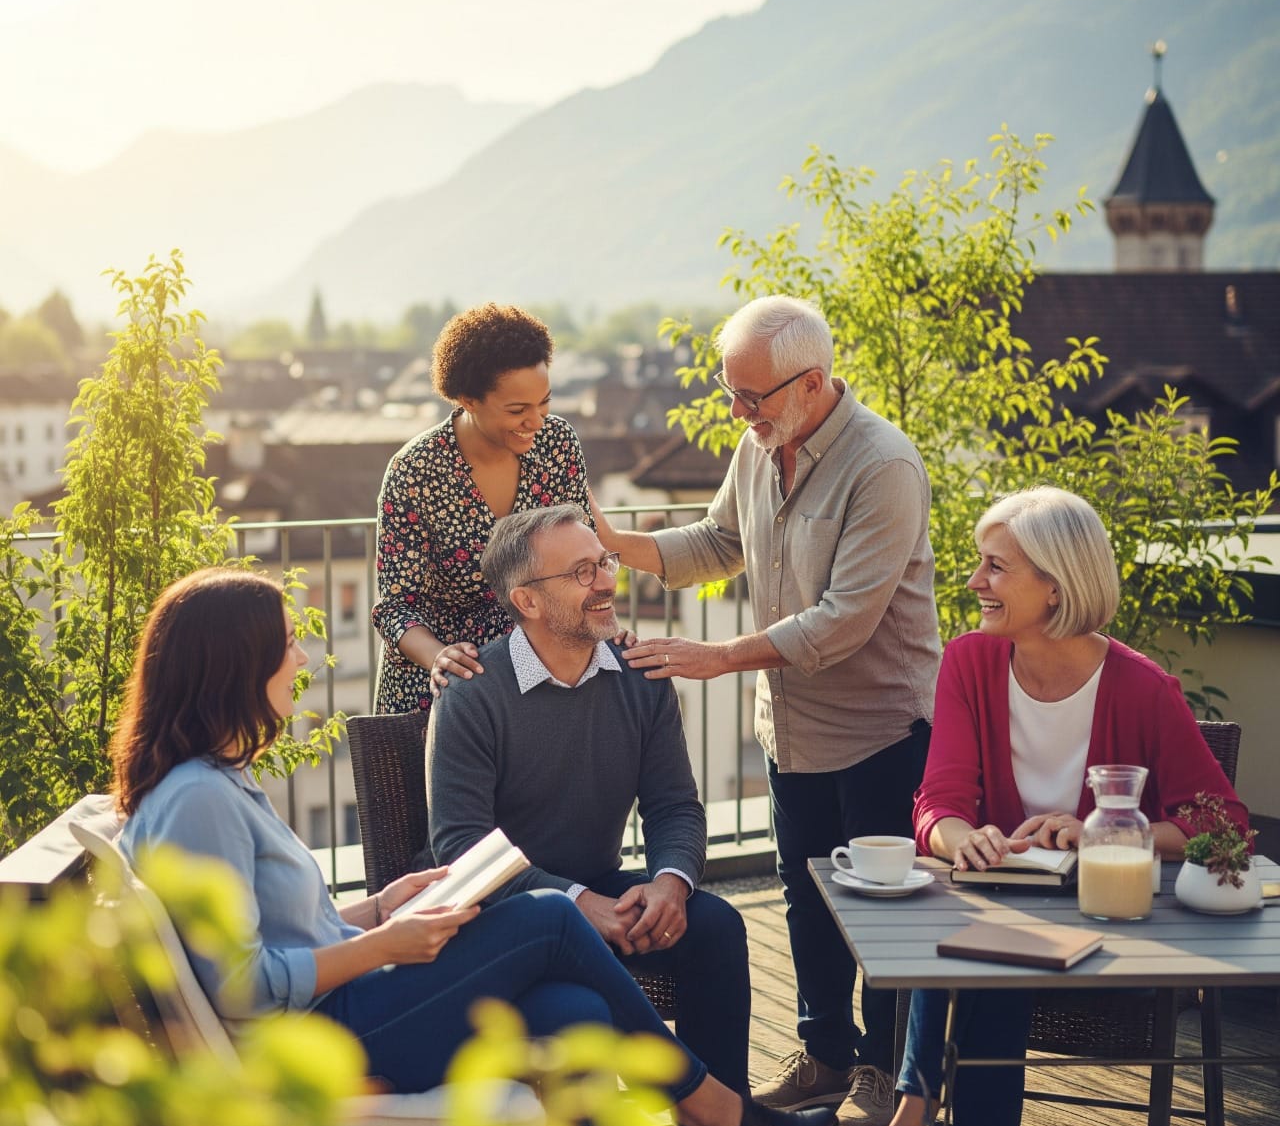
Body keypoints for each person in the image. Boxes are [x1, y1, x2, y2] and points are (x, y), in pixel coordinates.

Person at [109, 566, 833, 1126]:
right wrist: (389, 943)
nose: (303, 656)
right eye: (287, 642)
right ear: (234, 667)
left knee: (571, 1008)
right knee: (550, 914)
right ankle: (713, 1105)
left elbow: (279, 930)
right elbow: (244, 984)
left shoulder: (216, 782)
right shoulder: (199, 798)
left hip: (343, 1002)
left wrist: (377, 908)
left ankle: (711, 1106)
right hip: (317, 1035)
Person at [590, 296, 941, 1126]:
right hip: (791, 728)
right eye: (730, 393)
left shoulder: (883, 465)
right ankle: (825, 1056)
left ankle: (885, 1073)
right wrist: (611, 540)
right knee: (804, 898)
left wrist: (716, 658)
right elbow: (714, 544)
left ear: (812, 382)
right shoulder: (759, 446)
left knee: (880, 911)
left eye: (752, 396)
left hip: (881, 729)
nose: (737, 413)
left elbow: (843, 621)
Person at [889, 486, 1250, 1126]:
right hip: (1008, 919)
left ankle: (913, 1112)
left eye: (995, 566)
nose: (975, 581)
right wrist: (958, 838)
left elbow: (1225, 829)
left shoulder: (1143, 688)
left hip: (1110, 921)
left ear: (1055, 587)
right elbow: (938, 802)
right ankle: (918, 1109)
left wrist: (1100, 833)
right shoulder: (969, 663)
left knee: (982, 951)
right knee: (984, 947)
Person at [427, 504, 753, 1094]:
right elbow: (461, 846)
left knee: (718, 927)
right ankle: (707, 1106)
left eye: (603, 562)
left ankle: (726, 1108)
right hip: (506, 921)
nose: (607, 580)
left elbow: (675, 804)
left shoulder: (640, 676)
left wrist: (669, 885)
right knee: (573, 1006)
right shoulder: (472, 693)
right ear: (526, 600)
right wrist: (578, 904)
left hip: (607, 890)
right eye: (582, 571)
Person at [371, 302, 592, 715]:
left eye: (543, 402)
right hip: (439, 685)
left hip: (541, 673)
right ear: (468, 399)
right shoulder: (414, 471)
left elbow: (585, 562)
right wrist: (440, 656)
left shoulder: (558, 445)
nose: (537, 421)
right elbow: (395, 606)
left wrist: (605, 629)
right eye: (517, 410)